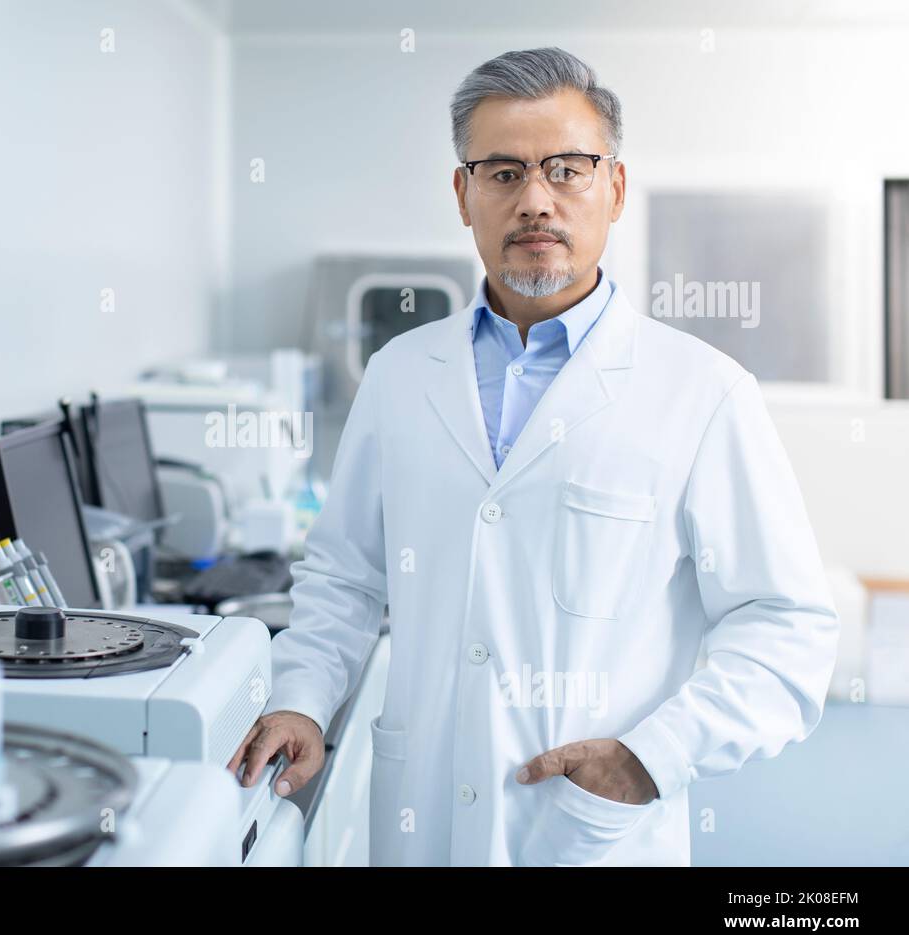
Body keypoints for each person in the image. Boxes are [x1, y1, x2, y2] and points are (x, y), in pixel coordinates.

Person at [228, 46, 839, 866]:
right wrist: (303, 700)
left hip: (589, 829)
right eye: (504, 172)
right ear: (463, 194)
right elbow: (345, 575)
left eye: (568, 169)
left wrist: (651, 757)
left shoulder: (703, 393)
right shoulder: (401, 375)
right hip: (425, 817)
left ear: (614, 189)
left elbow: (785, 625)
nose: (537, 201)